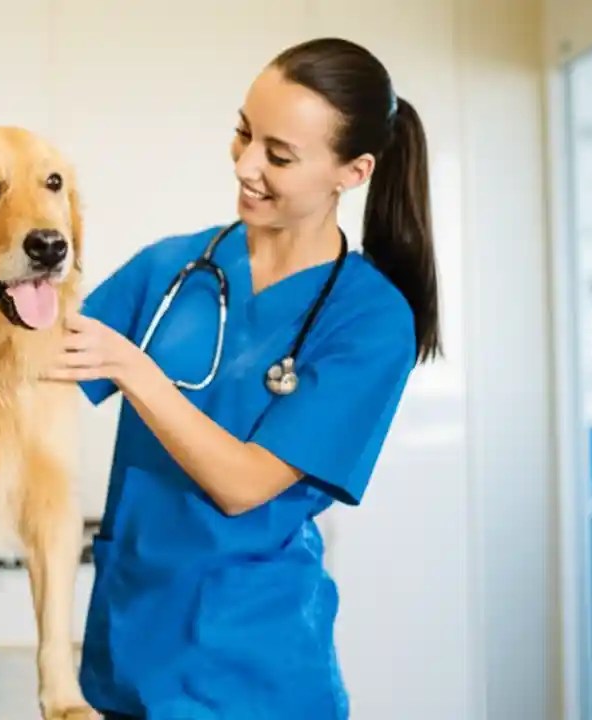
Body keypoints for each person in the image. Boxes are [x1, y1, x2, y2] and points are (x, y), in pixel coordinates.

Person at [43, 37, 442, 719]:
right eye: (243, 133)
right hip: (126, 661)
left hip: (255, 677)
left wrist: (136, 370)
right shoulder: (171, 268)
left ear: (353, 172)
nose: (247, 163)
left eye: (279, 155)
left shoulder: (371, 319)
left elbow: (244, 486)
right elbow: (29, 371)